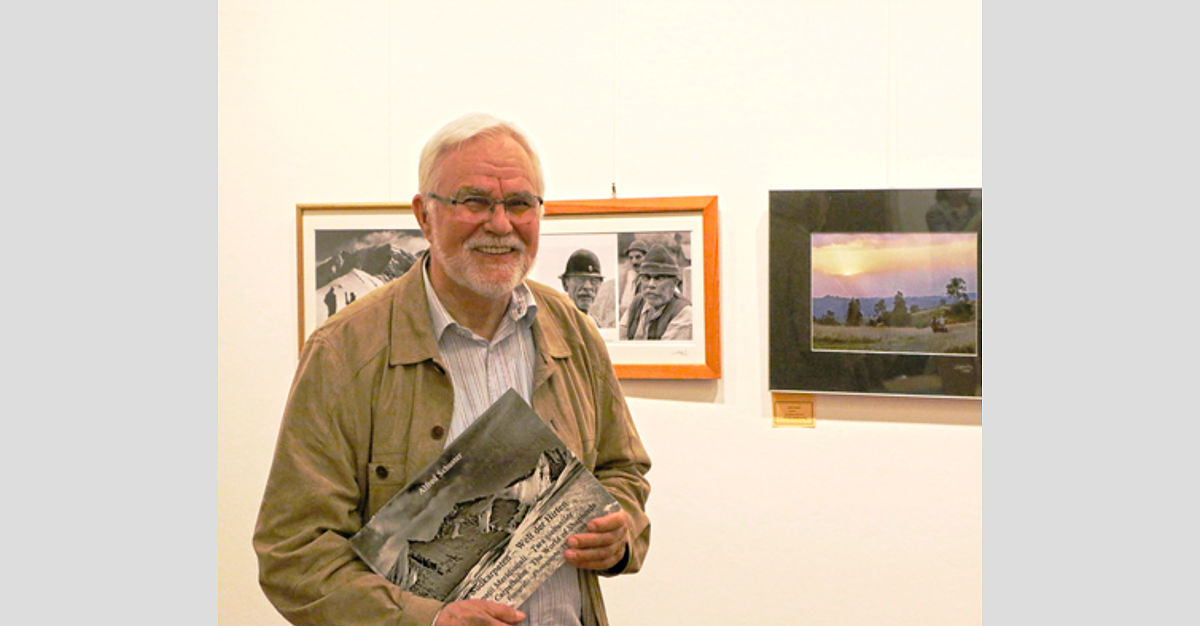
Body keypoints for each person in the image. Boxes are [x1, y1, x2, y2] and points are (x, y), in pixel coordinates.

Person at [254, 113, 652, 626]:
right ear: (424, 215)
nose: (500, 224)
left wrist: (619, 533)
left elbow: (622, 471)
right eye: (474, 201)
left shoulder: (572, 331)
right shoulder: (344, 351)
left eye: (519, 204)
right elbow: (294, 551)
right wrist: (425, 620)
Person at [619, 244, 692, 341]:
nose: (651, 284)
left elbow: (663, 353)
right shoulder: (638, 302)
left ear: (674, 283)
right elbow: (621, 336)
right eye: (646, 277)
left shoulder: (683, 312)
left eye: (659, 278)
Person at [558, 249, 614, 329]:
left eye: (594, 280)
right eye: (580, 279)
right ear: (565, 283)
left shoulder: (596, 324)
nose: (587, 286)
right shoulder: (557, 322)